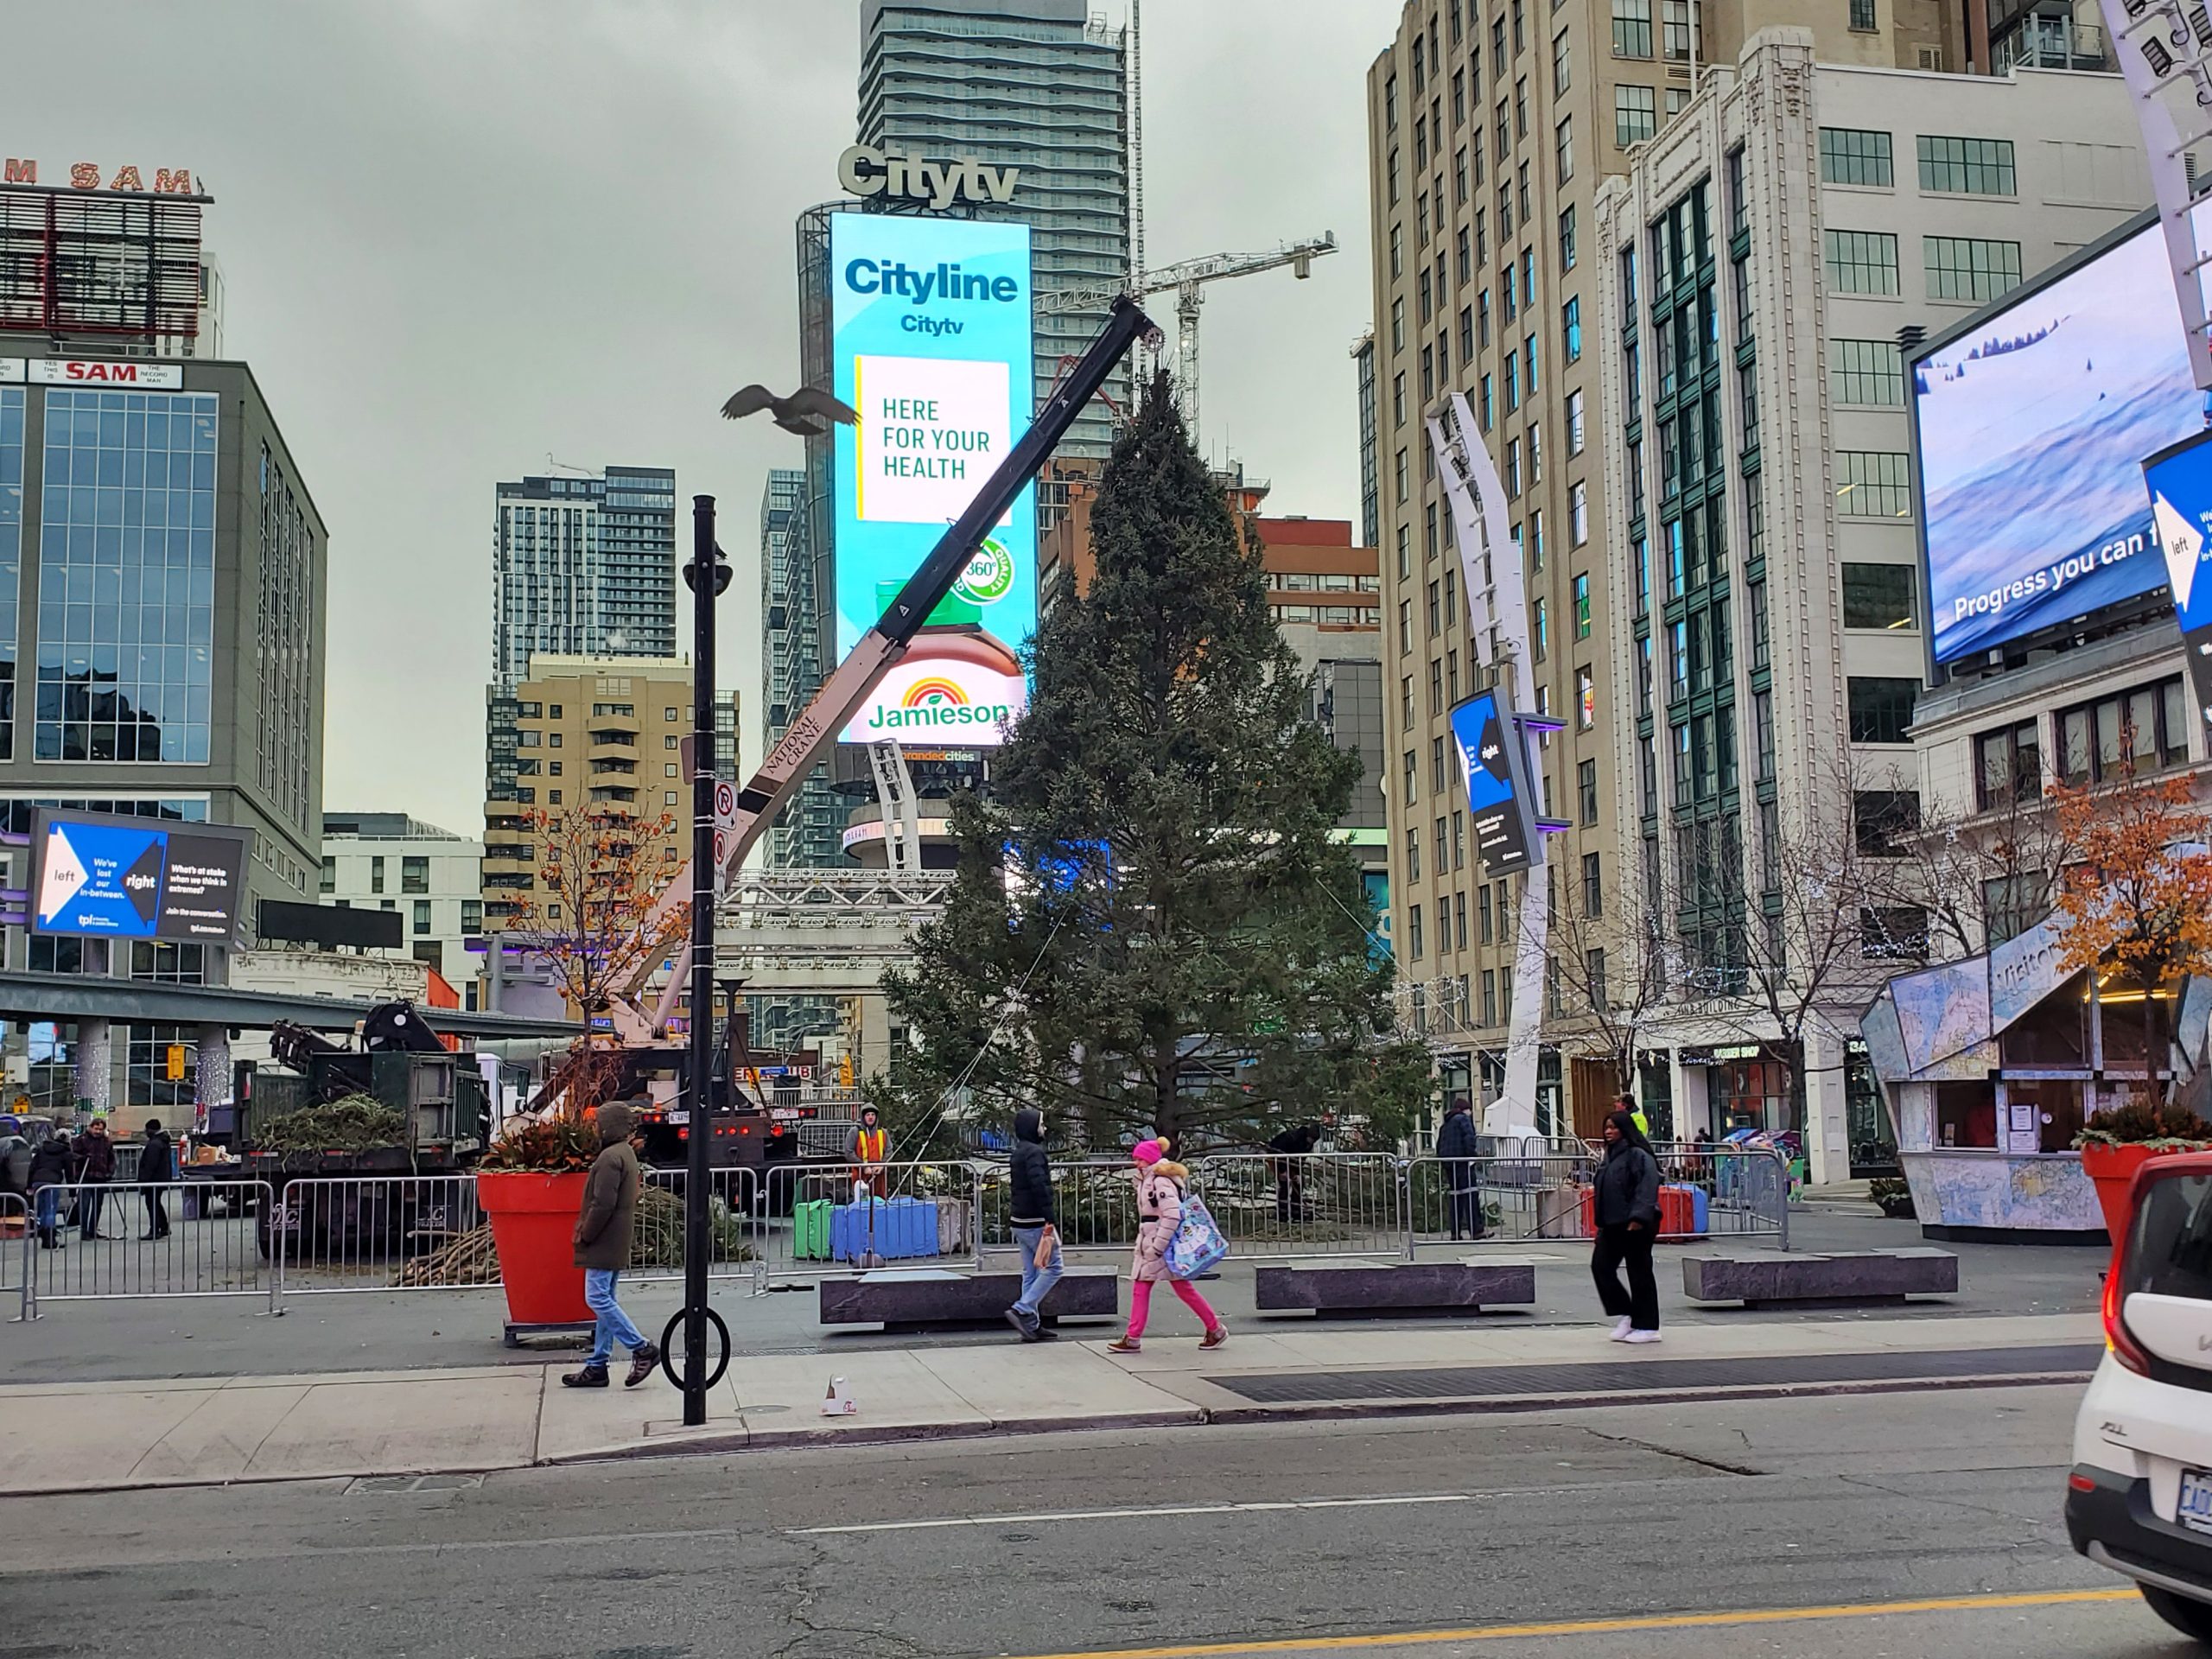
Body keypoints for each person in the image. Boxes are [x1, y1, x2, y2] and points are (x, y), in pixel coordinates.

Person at [563, 1100, 660, 1389]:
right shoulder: (625, 1154)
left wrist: (586, 1234)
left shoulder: (609, 1158)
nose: (595, 1128)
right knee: (606, 1299)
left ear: (610, 1126)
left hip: (604, 1239)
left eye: (598, 1123)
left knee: (597, 1298)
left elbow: (602, 1204)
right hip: (617, 1238)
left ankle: (641, 1347)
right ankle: (597, 1364)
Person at [1107, 1140, 1226, 1354]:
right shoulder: (1153, 1179)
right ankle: (1214, 1328)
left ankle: (1134, 1337)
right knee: (1173, 1287)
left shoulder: (1159, 1182)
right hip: (1156, 1239)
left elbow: (1172, 1215)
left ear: (1150, 1159)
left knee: (1147, 1286)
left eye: (1140, 1159)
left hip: (1157, 1240)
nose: (1137, 1163)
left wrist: (1157, 1247)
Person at [1592, 1107, 1662, 1344]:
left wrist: (1638, 1218)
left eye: (1613, 1127)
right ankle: (1629, 1314)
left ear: (1624, 1130)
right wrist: (1601, 1225)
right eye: (1606, 1127)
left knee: (1639, 1272)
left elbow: (1647, 1187)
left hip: (1636, 1224)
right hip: (1612, 1224)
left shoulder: (1638, 1155)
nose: (1608, 1132)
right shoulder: (1609, 1157)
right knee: (1601, 1267)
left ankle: (1648, 1326)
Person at [1004, 1107, 1063, 1342]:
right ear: (1032, 1128)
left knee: (1030, 1272)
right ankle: (1023, 1308)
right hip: (1035, 1221)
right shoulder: (1035, 1153)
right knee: (1054, 1267)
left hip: (1019, 1220)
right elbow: (1041, 1187)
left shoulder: (1019, 1152)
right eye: (1041, 1124)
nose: (1044, 1128)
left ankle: (1031, 1325)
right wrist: (1051, 1218)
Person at [1435, 1097, 1484, 1242]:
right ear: (1466, 1109)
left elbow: (1440, 1146)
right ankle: (1476, 1230)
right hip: (1463, 1162)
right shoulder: (1463, 1120)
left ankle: (1455, 1233)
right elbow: (1469, 1138)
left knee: (1456, 1198)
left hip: (1450, 1164)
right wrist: (1472, 1156)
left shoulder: (1446, 1125)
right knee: (1471, 1195)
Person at [1267, 1122, 1319, 1222]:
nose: (1311, 1142)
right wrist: (1282, 1171)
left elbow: (1300, 1160)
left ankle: (1296, 1212)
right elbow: (1279, 1152)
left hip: (1289, 1160)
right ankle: (1282, 1213)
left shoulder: (1307, 1144)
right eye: (1311, 1139)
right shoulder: (1292, 1138)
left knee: (1299, 1183)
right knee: (1285, 1183)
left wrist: (1298, 1174)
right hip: (1275, 1156)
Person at [29, 1126, 71, 1250]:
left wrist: (28, 1185)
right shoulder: (65, 1153)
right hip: (52, 1182)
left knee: (41, 1210)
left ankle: (43, 1235)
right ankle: (50, 1239)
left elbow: (32, 1167)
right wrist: (73, 1193)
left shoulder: (42, 1150)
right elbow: (69, 1174)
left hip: (37, 1181)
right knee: (50, 1210)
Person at [73, 1117, 115, 1241]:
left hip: (100, 1177)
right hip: (86, 1176)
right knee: (85, 1205)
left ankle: (93, 1230)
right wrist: (82, 1158)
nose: (98, 1132)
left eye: (100, 1129)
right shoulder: (81, 1140)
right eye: (96, 1129)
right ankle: (84, 1231)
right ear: (91, 1127)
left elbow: (111, 1159)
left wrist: (110, 1172)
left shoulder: (107, 1142)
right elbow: (73, 1155)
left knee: (98, 1205)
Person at [138, 1118, 174, 1240]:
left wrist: (144, 1180)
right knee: (156, 1203)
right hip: (161, 1178)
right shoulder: (163, 1142)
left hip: (154, 1179)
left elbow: (150, 1164)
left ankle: (155, 1230)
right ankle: (163, 1227)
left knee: (152, 1204)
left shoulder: (154, 1144)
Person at [847, 1105, 888, 1199]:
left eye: (873, 1115)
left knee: (880, 1202)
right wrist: (864, 1166)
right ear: (863, 1117)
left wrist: (882, 1165)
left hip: (879, 1176)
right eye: (868, 1115)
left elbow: (889, 1151)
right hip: (861, 1176)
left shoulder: (883, 1132)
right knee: (861, 1202)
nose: (870, 1117)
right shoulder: (855, 1132)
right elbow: (849, 1152)